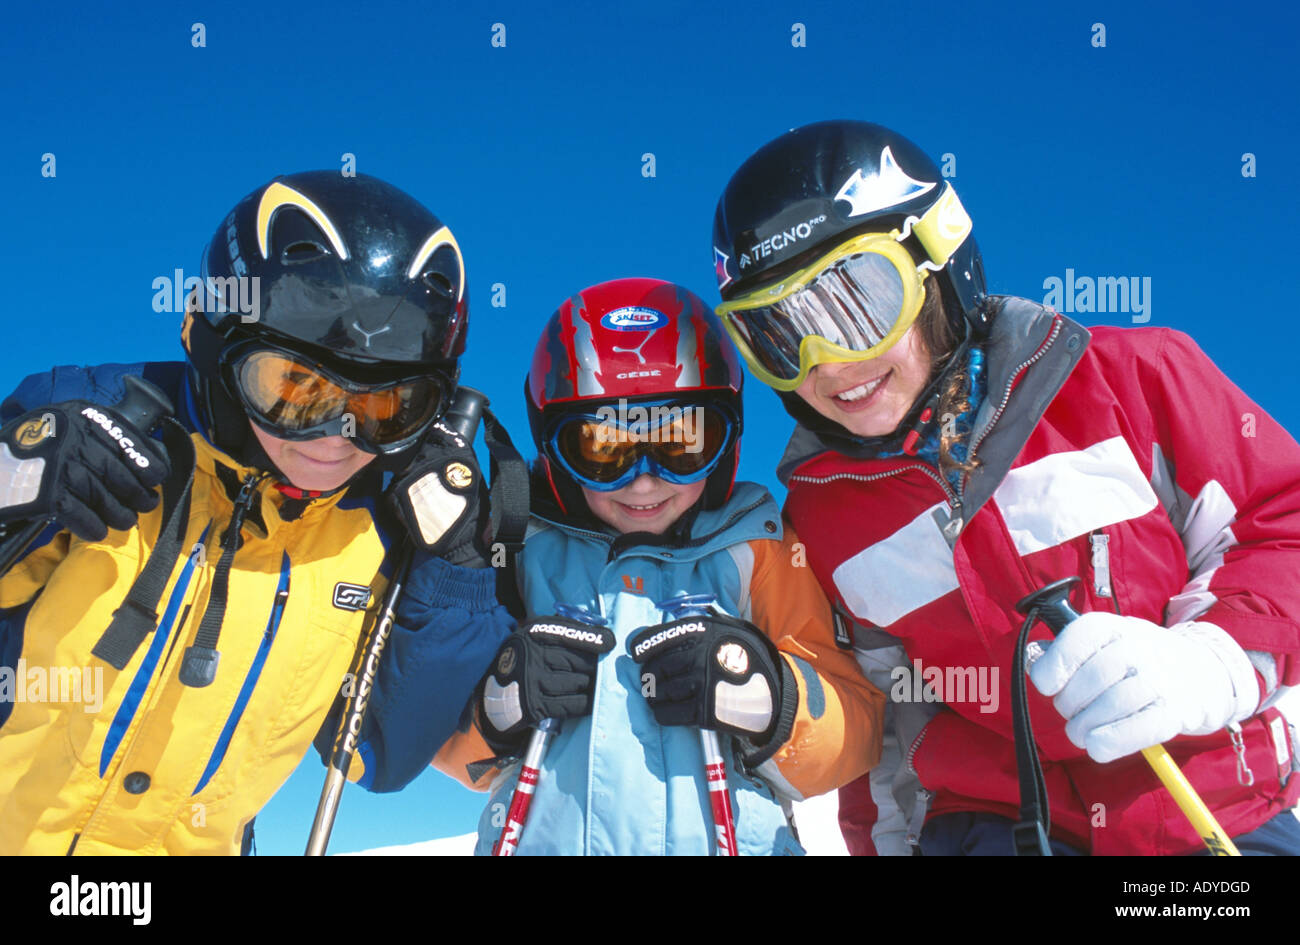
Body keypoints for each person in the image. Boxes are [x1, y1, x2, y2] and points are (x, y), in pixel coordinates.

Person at [710, 120, 1300, 855]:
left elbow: (1285, 518)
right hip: (991, 821)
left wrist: (1211, 660)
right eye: (777, 335)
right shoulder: (827, 513)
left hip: (1199, 803)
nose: (826, 365)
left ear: (939, 260)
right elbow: (890, 712)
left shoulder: (1132, 381)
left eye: (856, 305)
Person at [0, 171, 513, 855]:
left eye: (385, 407)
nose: (335, 436)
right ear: (218, 347)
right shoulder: (95, 432)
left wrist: (455, 569)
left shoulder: (385, 527)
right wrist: (16, 475)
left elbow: (379, 752)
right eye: (295, 387)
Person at [428, 276, 884, 855]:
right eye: (602, 448)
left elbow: (857, 733)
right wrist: (500, 703)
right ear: (552, 449)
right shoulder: (516, 551)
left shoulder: (755, 549)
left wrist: (775, 701)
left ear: (728, 436)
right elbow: (448, 744)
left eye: (682, 441)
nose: (644, 479)